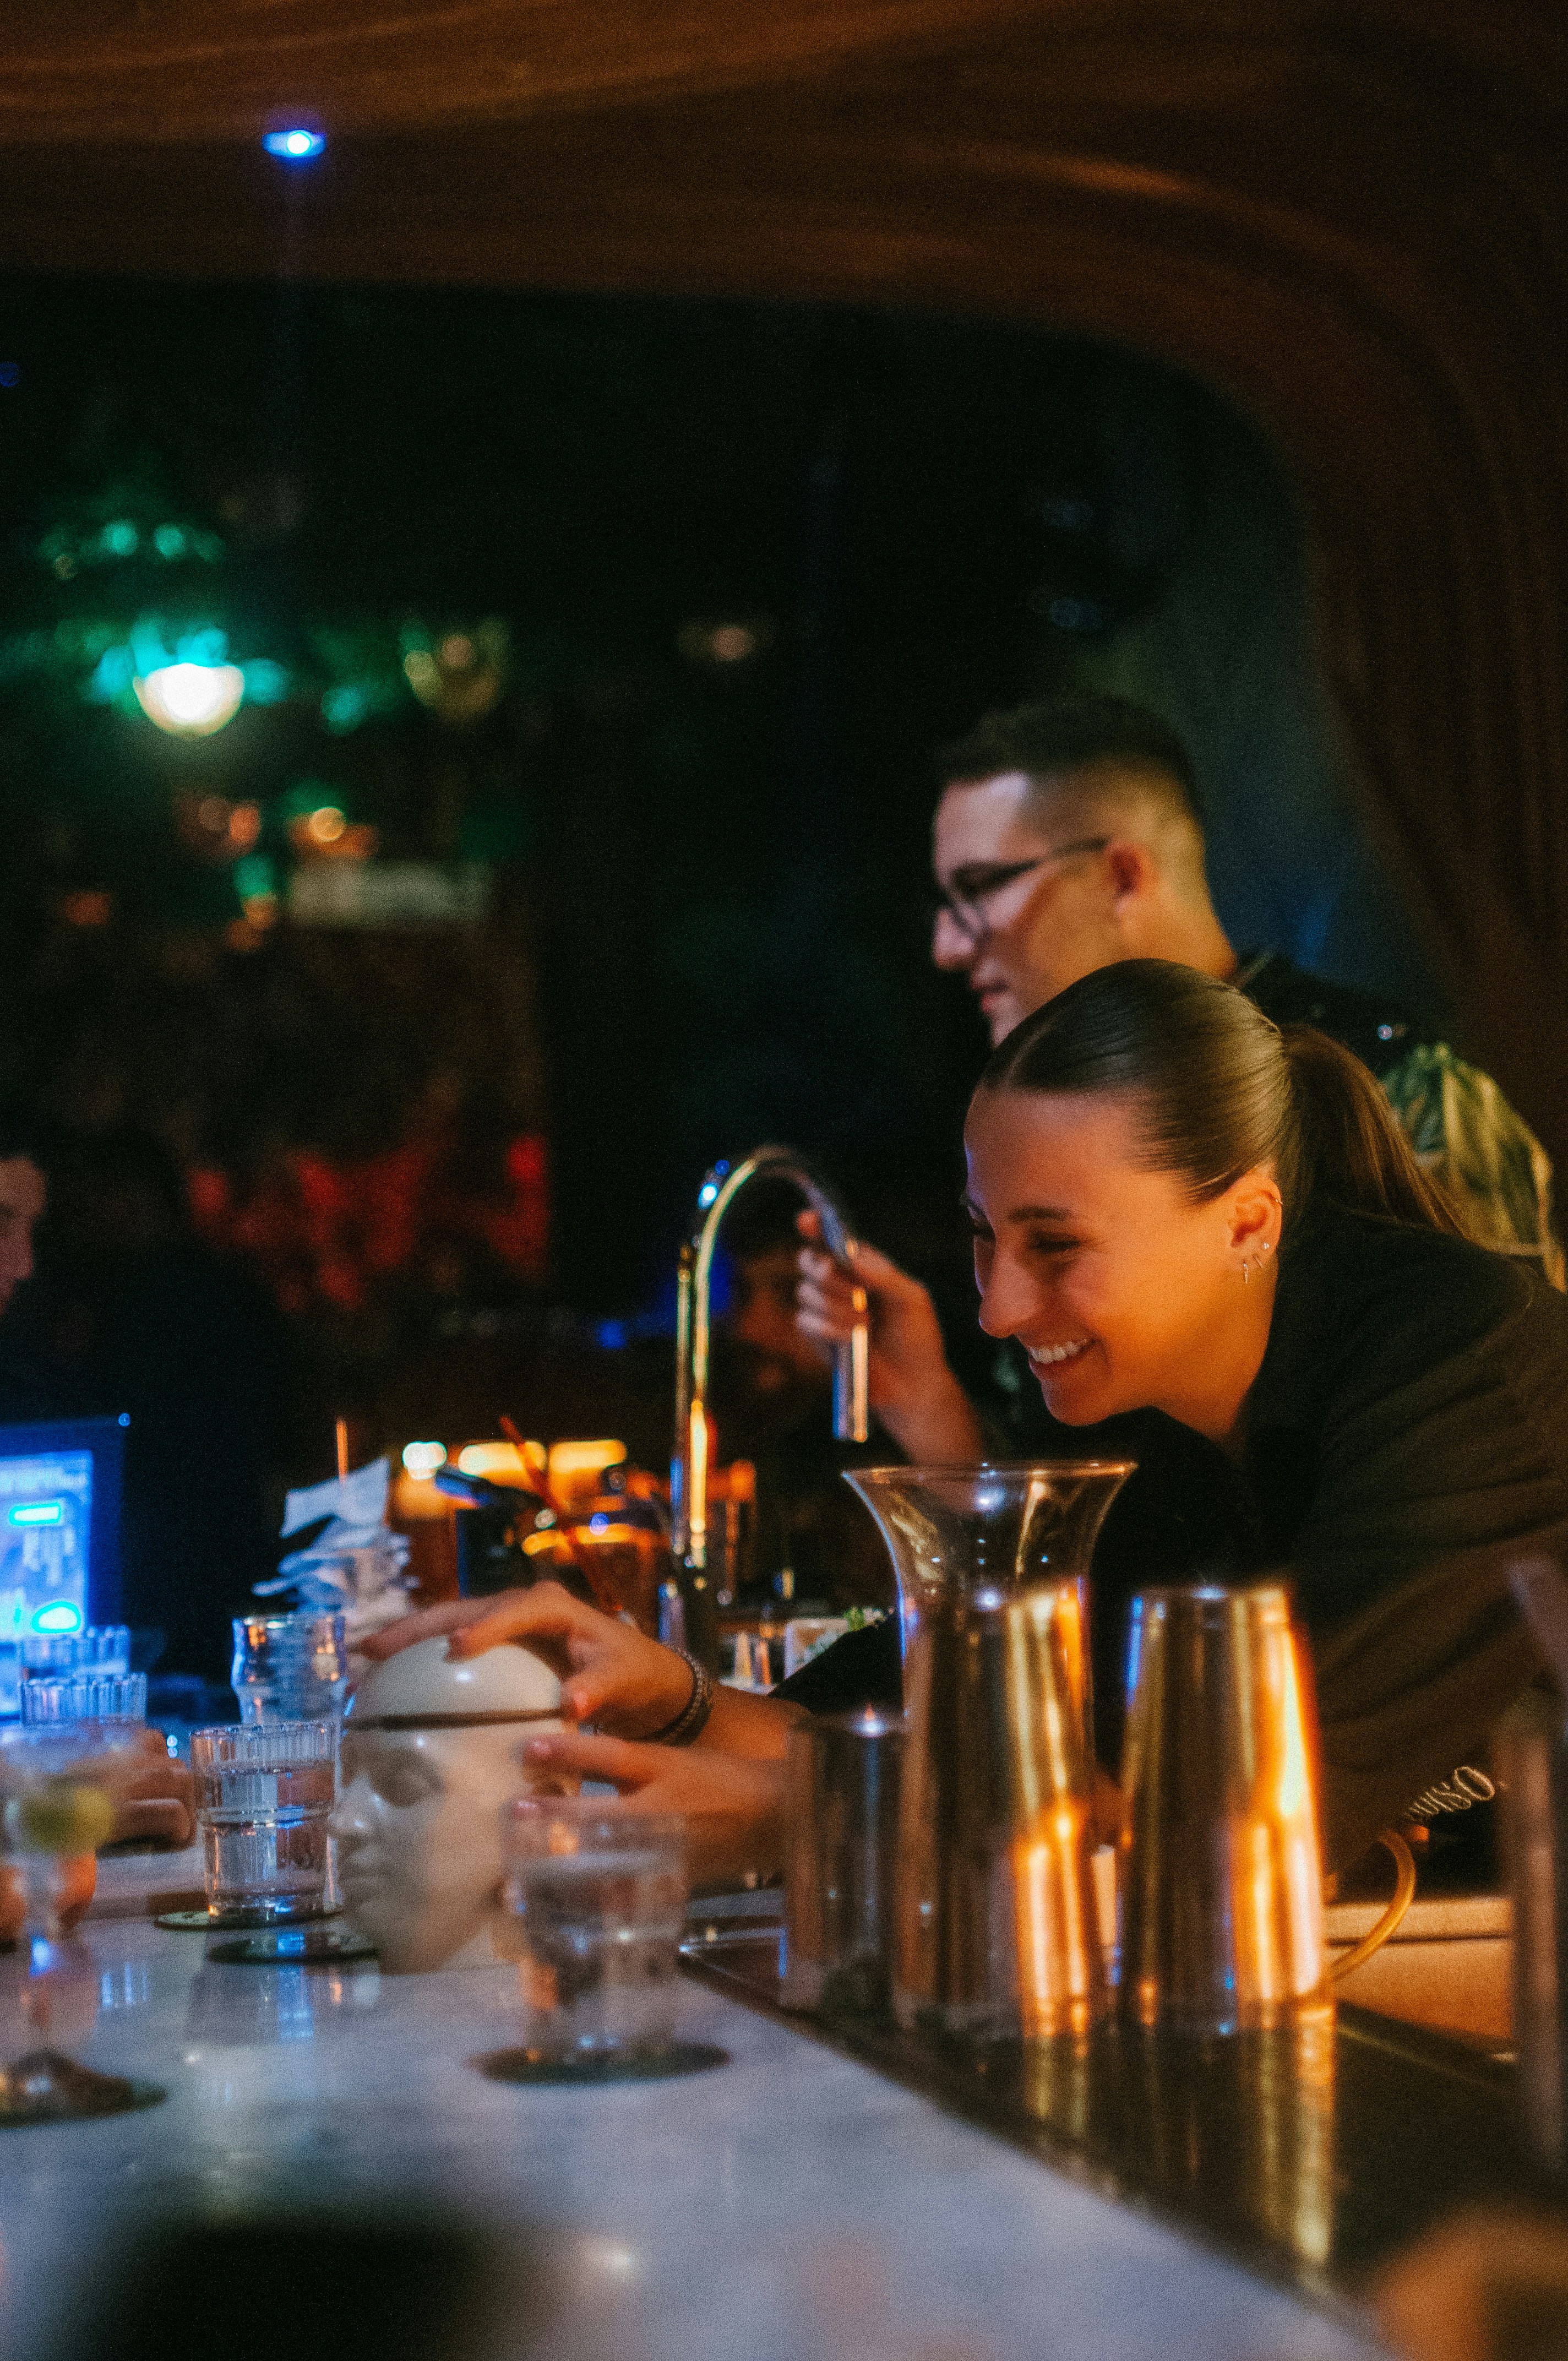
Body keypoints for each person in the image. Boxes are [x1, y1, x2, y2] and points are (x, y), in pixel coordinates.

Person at [368, 962, 1568, 1882]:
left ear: (1247, 1220)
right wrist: (660, 1691)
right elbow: (903, 1727)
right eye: (985, 1237)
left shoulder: (1471, 1367)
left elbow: (1251, 1812)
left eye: (1054, 1245)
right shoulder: (1145, 1420)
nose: (995, 1305)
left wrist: (804, 1820)